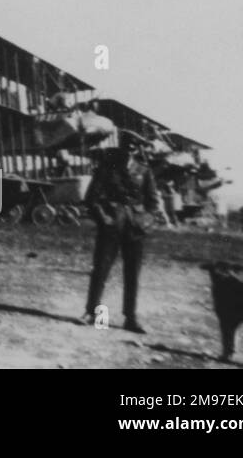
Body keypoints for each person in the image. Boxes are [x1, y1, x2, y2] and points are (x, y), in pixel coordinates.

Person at [81, 130, 162, 334]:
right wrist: (104, 219)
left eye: (134, 148)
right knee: (100, 269)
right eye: (127, 146)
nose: (129, 151)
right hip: (111, 227)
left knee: (132, 274)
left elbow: (153, 204)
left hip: (135, 229)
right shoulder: (107, 168)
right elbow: (91, 198)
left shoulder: (144, 171)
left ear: (137, 150)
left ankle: (130, 318)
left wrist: (145, 222)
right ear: (121, 145)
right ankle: (91, 312)